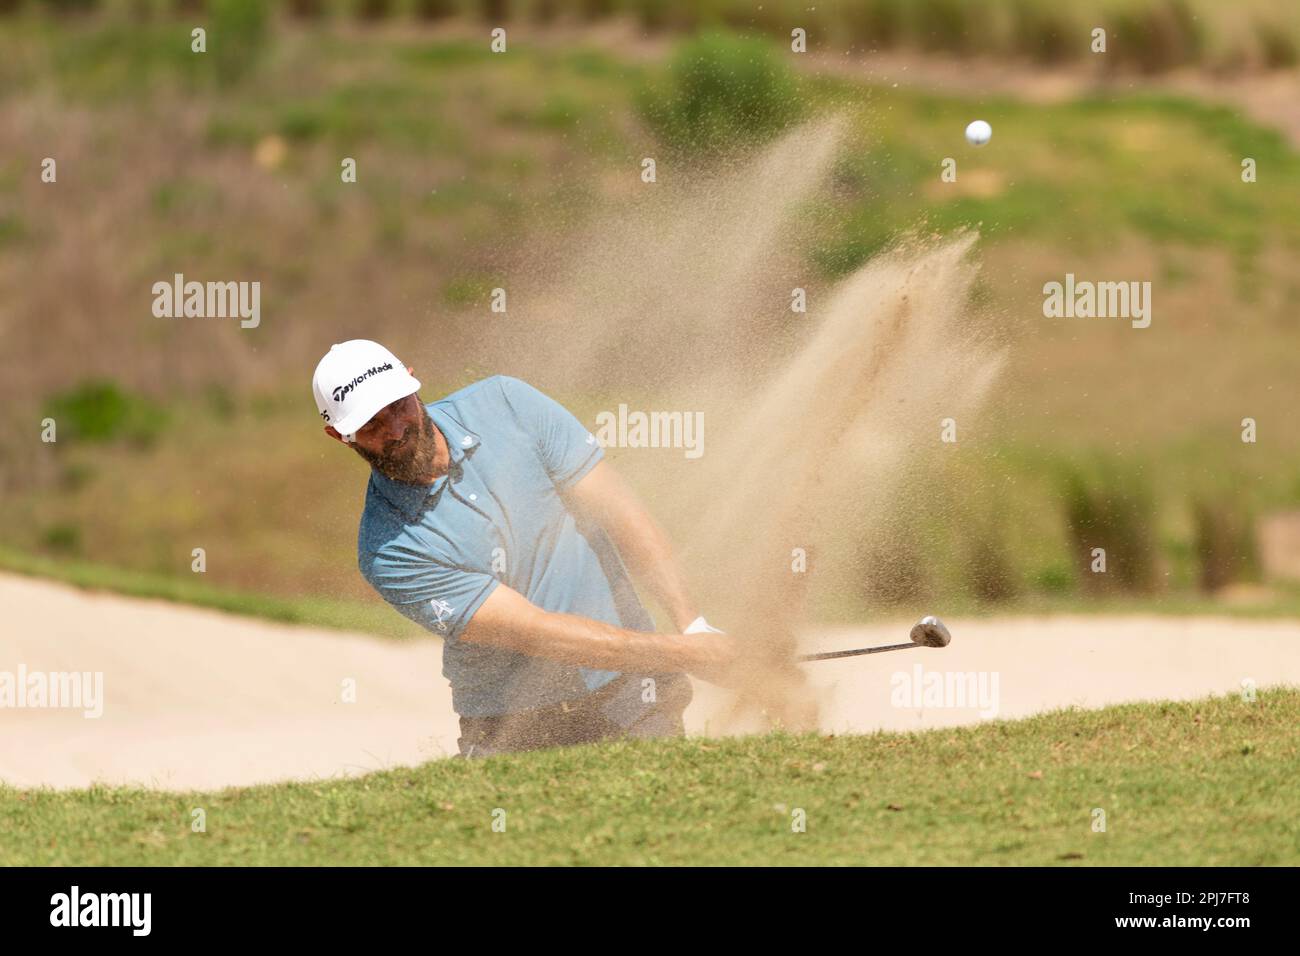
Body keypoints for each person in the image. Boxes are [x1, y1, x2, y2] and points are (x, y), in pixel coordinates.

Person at [312, 339, 738, 757]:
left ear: (411, 381)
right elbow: (537, 633)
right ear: (339, 434)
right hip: (513, 728)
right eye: (372, 425)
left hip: (635, 695)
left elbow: (621, 512)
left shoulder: (506, 403)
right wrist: (687, 654)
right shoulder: (387, 549)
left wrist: (693, 625)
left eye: (398, 405)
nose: (396, 429)